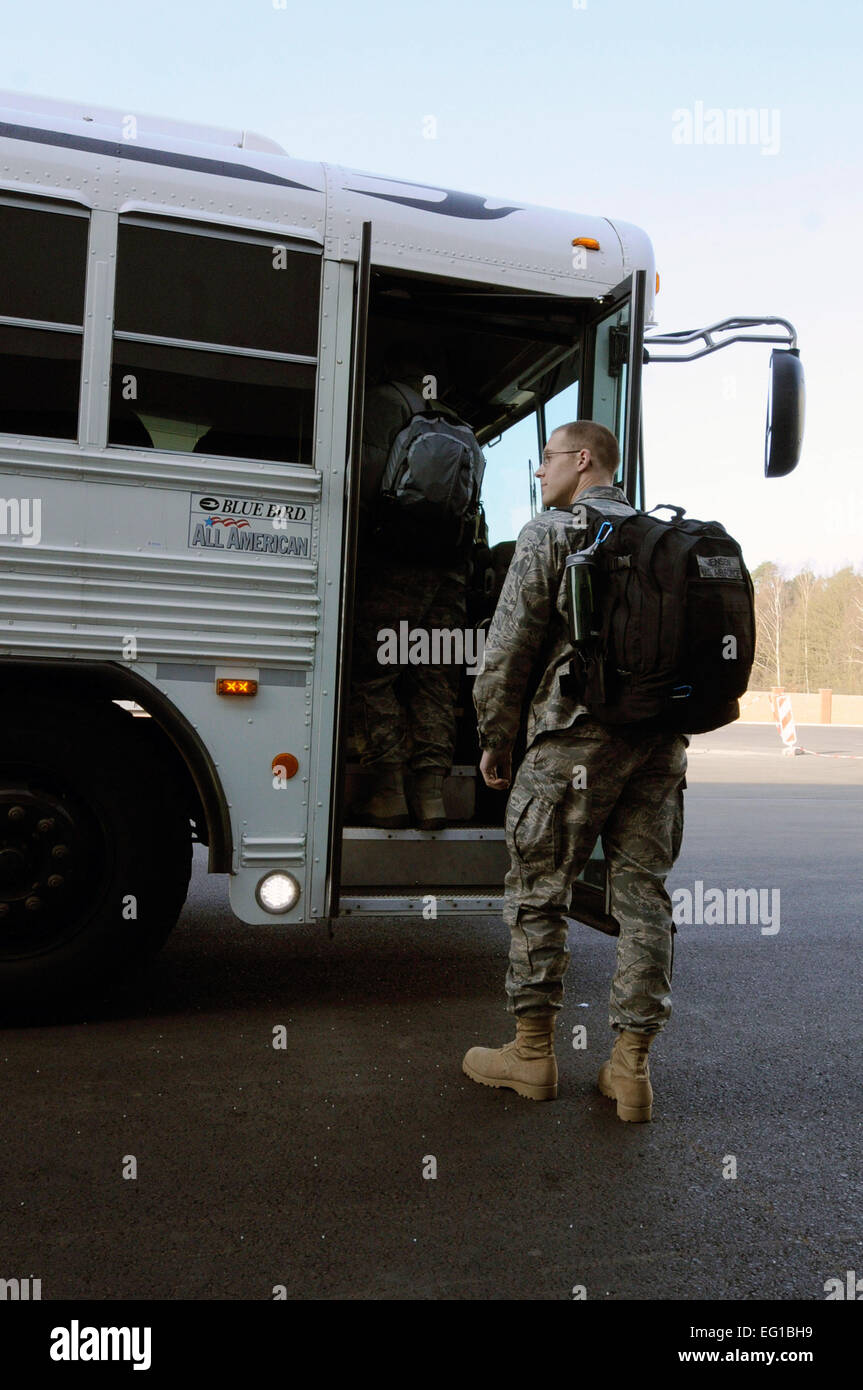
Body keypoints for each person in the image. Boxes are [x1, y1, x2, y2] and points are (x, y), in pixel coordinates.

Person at [463, 420, 688, 1120]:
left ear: (582, 460)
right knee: (642, 897)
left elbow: (508, 647)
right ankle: (630, 1071)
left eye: (547, 459)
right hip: (658, 746)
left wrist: (496, 736)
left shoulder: (551, 533)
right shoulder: (663, 538)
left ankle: (531, 1055)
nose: (538, 473)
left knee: (537, 889)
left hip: (574, 742)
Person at [348, 346, 475, 831]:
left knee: (373, 672)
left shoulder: (383, 403)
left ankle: (388, 791)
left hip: (395, 564)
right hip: (449, 570)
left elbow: (363, 484)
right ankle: (432, 797)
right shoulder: (460, 425)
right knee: (434, 676)